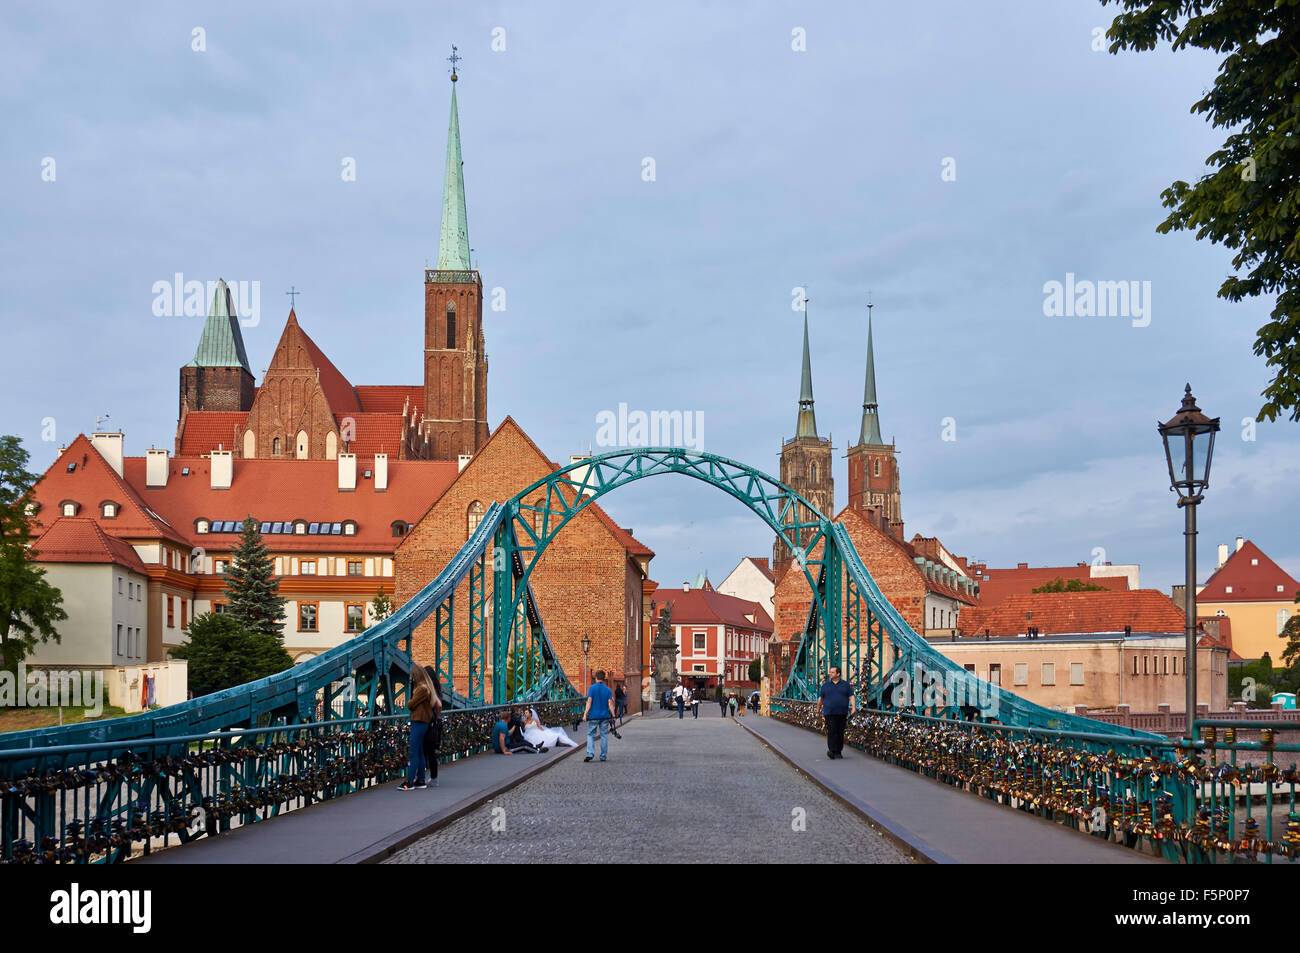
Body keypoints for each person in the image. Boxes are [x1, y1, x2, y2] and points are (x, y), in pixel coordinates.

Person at [398, 664, 434, 790]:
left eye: (413, 675)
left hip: (419, 721)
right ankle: (421, 780)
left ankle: (409, 781)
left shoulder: (422, 689)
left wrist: (410, 702)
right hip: (422, 722)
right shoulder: (426, 688)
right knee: (419, 752)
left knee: (413, 752)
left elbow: (410, 704)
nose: (411, 678)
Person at [819, 665, 856, 760]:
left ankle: (838, 751)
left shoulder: (846, 685)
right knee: (832, 731)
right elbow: (821, 698)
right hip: (829, 712)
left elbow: (851, 696)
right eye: (830, 672)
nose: (830, 674)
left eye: (832, 672)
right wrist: (818, 708)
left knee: (840, 732)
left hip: (842, 712)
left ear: (838, 674)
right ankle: (832, 750)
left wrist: (853, 708)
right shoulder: (825, 685)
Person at [584, 669, 615, 762]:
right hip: (605, 716)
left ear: (596, 678)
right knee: (604, 735)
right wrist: (613, 715)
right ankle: (603, 756)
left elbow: (589, 702)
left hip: (594, 716)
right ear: (604, 678)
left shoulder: (592, 688)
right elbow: (610, 704)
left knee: (590, 734)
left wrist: (585, 714)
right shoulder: (608, 689)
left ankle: (590, 753)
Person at [421, 665, 445, 786]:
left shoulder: (430, 690)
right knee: (431, 752)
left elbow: (439, 705)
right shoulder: (438, 688)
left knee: (426, 751)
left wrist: (434, 716)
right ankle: (433, 778)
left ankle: (423, 778)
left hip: (430, 723)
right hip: (436, 724)